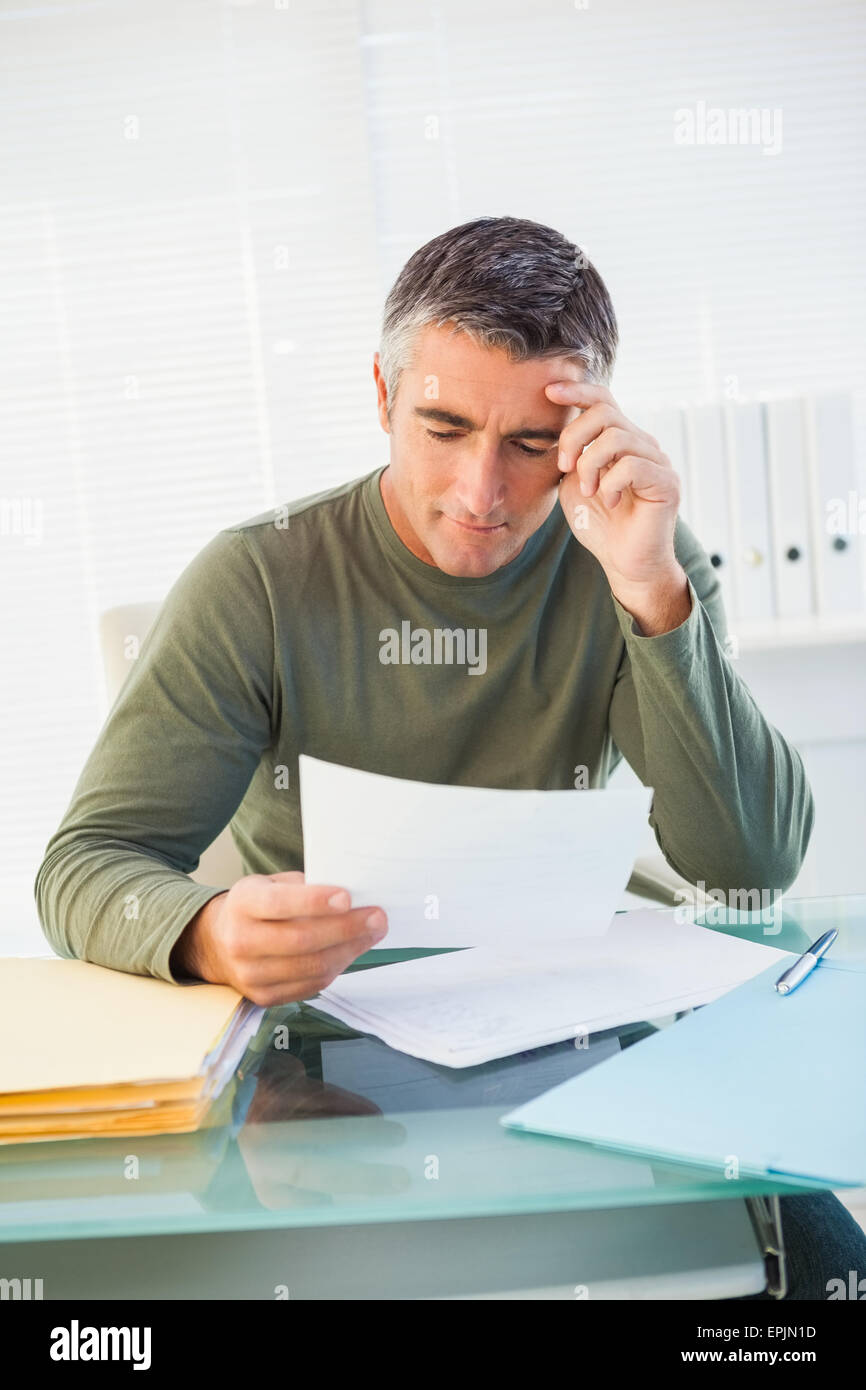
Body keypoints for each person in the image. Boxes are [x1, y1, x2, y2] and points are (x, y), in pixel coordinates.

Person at [36, 215, 860, 1297]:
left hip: (570, 1022)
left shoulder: (630, 555)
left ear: (583, 435)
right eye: (442, 426)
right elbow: (85, 861)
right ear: (381, 397)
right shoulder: (257, 582)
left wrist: (651, 597)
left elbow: (747, 866)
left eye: (529, 445)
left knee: (805, 1273)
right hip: (323, 1044)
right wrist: (201, 926)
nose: (482, 493)